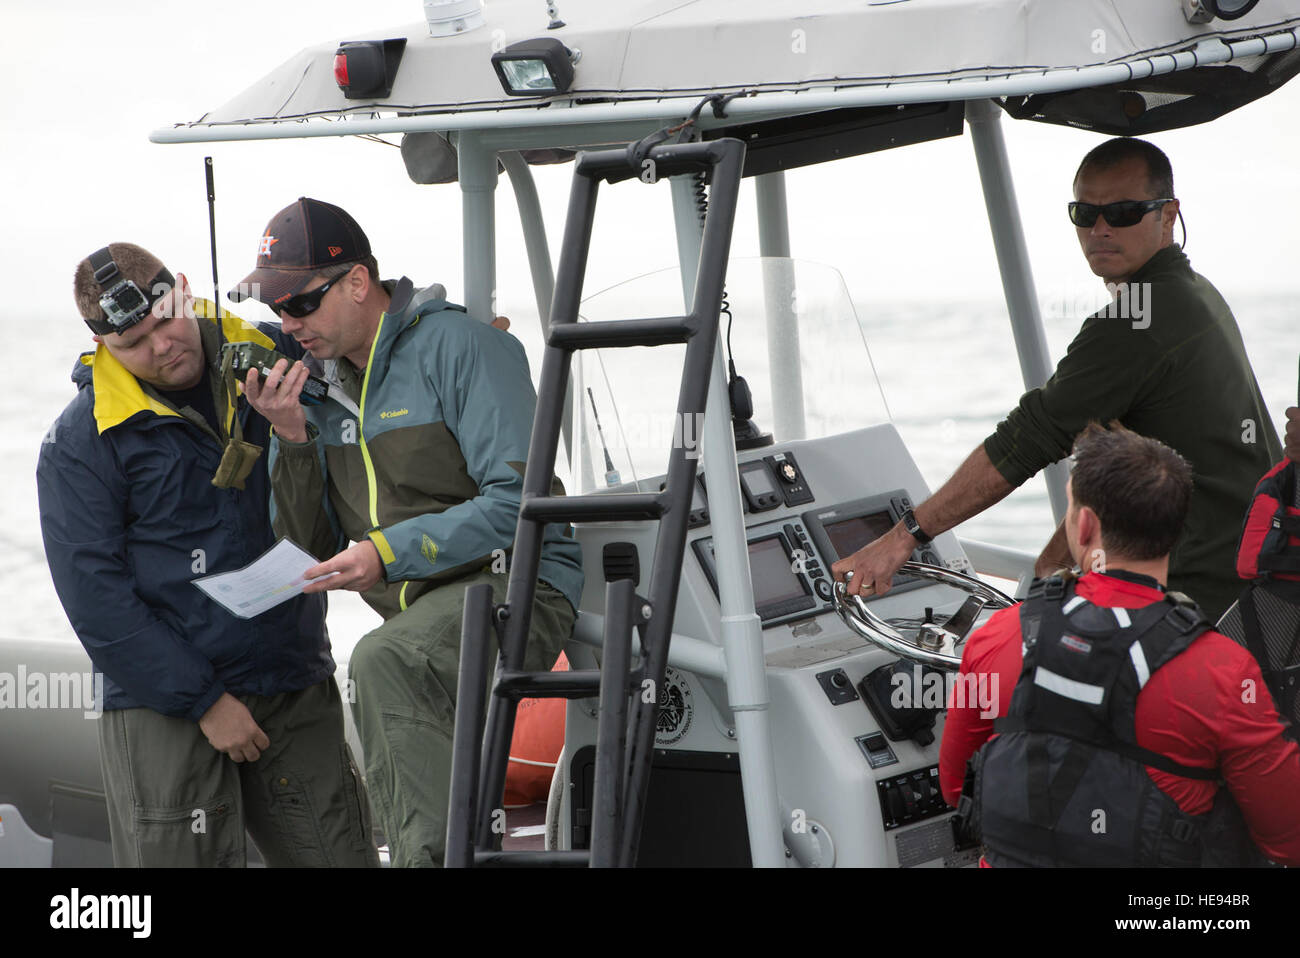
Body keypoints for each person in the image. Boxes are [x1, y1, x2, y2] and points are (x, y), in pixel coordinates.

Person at [232, 198, 584, 867]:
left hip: (520, 581)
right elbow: (305, 549)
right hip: (424, 607)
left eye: (300, 303)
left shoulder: (464, 348)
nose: (288, 323)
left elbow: (521, 503)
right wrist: (291, 437)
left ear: (358, 283)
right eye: (278, 309)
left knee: (381, 660)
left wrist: (389, 552)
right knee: (387, 655)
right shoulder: (314, 393)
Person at [833, 137, 1279, 624]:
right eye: (1085, 213)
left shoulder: (1137, 324)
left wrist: (901, 540)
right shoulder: (1193, 294)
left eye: (1125, 211)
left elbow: (1028, 439)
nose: (1101, 229)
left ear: (1168, 215)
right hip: (1256, 585)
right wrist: (1053, 566)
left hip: (1202, 602)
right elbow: (1119, 460)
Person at [37, 243, 378, 868]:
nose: (163, 345)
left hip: (291, 677)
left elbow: (375, 357)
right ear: (102, 345)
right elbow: (96, 602)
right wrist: (203, 702)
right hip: (163, 704)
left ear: (186, 289)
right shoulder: (79, 441)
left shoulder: (286, 356)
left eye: (167, 319)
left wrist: (452, 351)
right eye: (135, 342)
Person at [939, 423, 1300, 866]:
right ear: (1176, 531)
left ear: (1084, 523)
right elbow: (1288, 839)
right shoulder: (1224, 671)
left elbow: (957, 786)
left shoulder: (993, 638)